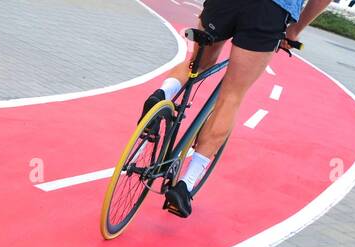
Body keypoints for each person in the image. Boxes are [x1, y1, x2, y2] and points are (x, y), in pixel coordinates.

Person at [140, 0, 334, 217]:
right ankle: (185, 185)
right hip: (268, 11)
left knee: (198, 62)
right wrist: (294, 30)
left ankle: (162, 95)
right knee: (232, 94)